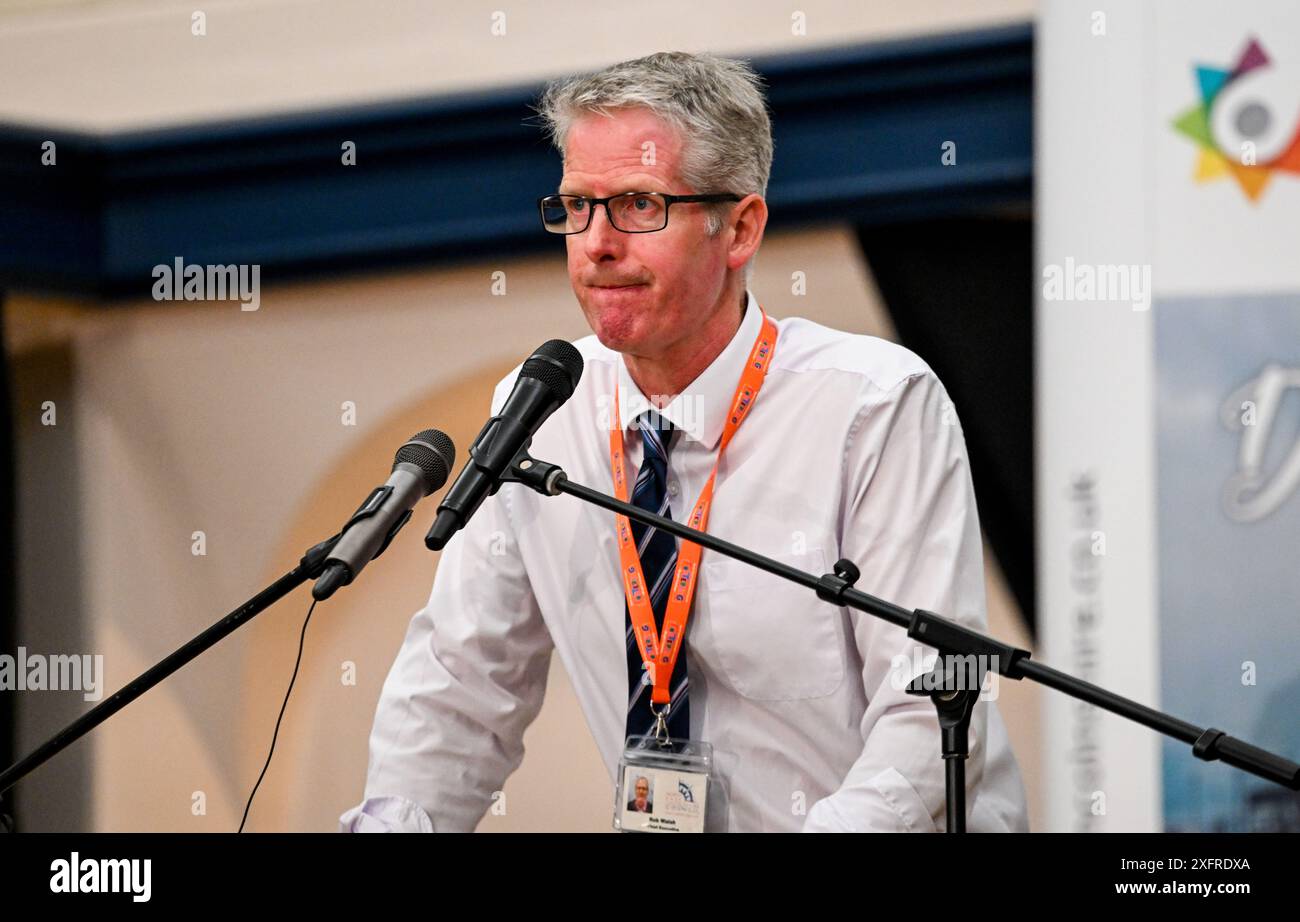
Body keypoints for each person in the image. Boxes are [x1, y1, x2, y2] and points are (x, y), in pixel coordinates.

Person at [341, 50, 1029, 833]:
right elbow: (460, 685)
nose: (595, 244)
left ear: (739, 228)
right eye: (576, 206)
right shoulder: (541, 411)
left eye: (637, 205)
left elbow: (932, 700)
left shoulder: (872, 405)